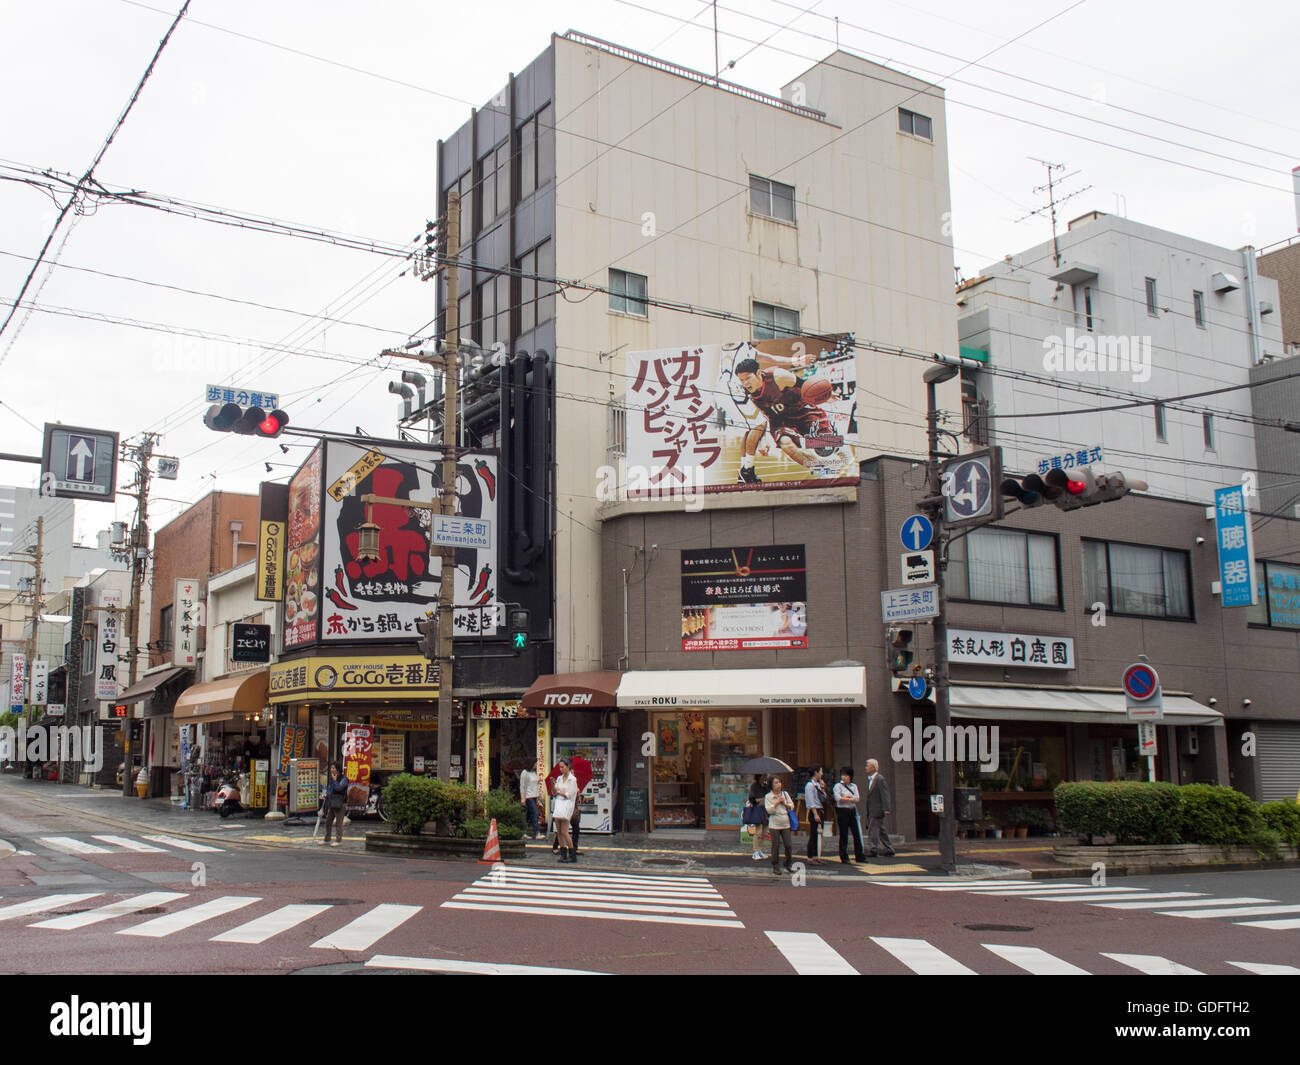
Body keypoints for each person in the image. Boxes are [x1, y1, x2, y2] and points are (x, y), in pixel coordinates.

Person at [733, 358, 844, 483]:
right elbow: (758, 420)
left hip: (802, 410)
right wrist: (763, 441)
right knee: (786, 445)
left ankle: (838, 447)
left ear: (758, 373)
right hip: (780, 421)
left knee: (823, 446)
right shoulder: (744, 392)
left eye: (748, 378)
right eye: (741, 380)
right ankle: (822, 470)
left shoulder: (777, 376)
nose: (745, 383)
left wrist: (827, 395)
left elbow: (805, 385)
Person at [864, 758, 897, 858]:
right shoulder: (871, 779)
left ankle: (873, 848)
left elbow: (885, 794)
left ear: (873, 767)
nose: (866, 768)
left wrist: (886, 808)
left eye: (867, 766)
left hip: (877, 809)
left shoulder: (880, 779)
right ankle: (889, 848)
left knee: (872, 829)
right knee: (882, 830)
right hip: (873, 809)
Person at [833, 765, 865, 864]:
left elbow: (857, 798)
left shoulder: (854, 786)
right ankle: (844, 856)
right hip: (842, 811)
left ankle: (859, 856)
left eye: (846, 775)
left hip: (852, 810)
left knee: (856, 833)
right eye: (842, 775)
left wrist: (847, 797)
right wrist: (849, 798)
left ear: (850, 776)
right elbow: (838, 798)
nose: (844, 777)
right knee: (844, 834)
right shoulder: (838, 786)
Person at [764, 775, 795, 875]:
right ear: (771, 785)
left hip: (785, 823)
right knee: (775, 845)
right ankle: (775, 865)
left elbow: (791, 806)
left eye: (779, 782)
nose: (779, 785)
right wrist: (777, 802)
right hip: (774, 824)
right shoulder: (768, 796)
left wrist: (785, 803)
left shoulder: (785, 794)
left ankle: (788, 863)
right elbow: (769, 810)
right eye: (776, 783)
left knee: (788, 845)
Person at [551, 759, 579, 863]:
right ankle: (563, 854)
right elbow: (554, 792)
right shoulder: (559, 778)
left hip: (567, 805)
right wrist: (553, 785)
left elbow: (570, 794)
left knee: (564, 831)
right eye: (560, 767)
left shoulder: (572, 780)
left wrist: (560, 792)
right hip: (558, 804)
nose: (561, 769)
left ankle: (572, 854)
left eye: (563, 767)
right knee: (558, 831)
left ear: (568, 767)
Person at [319, 761, 348, 848]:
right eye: (331, 768)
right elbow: (330, 789)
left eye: (333, 768)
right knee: (328, 821)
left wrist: (335, 781)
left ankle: (338, 840)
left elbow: (339, 788)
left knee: (339, 823)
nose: (332, 770)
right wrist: (326, 793)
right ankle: (327, 839)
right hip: (332, 803)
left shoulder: (344, 779)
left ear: (338, 769)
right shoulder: (331, 779)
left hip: (340, 804)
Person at [803, 766, 827, 860]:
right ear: (816, 772)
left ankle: (816, 856)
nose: (822, 773)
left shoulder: (817, 784)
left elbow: (823, 798)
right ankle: (810, 856)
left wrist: (822, 788)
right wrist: (815, 814)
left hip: (820, 809)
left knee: (818, 834)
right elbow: (810, 801)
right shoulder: (810, 785)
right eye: (821, 771)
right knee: (813, 834)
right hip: (815, 811)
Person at [744, 776, 768, 861]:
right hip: (758, 810)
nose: (765, 777)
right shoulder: (754, 786)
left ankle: (760, 849)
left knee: (764, 832)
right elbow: (751, 799)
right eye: (763, 775)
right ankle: (755, 851)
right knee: (758, 832)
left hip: (766, 811)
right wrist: (761, 799)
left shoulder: (766, 786)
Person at [519, 759, 541, 839]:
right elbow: (522, 786)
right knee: (535, 813)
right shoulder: (525, 773)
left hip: (534, 796)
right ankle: (536, 832)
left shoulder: (534, 773)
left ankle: (523, 832)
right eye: (535, 763)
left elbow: (535, 785)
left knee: (528, 815)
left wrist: (538, 796)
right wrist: (522, 798)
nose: (536, 765)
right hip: (528, 796)